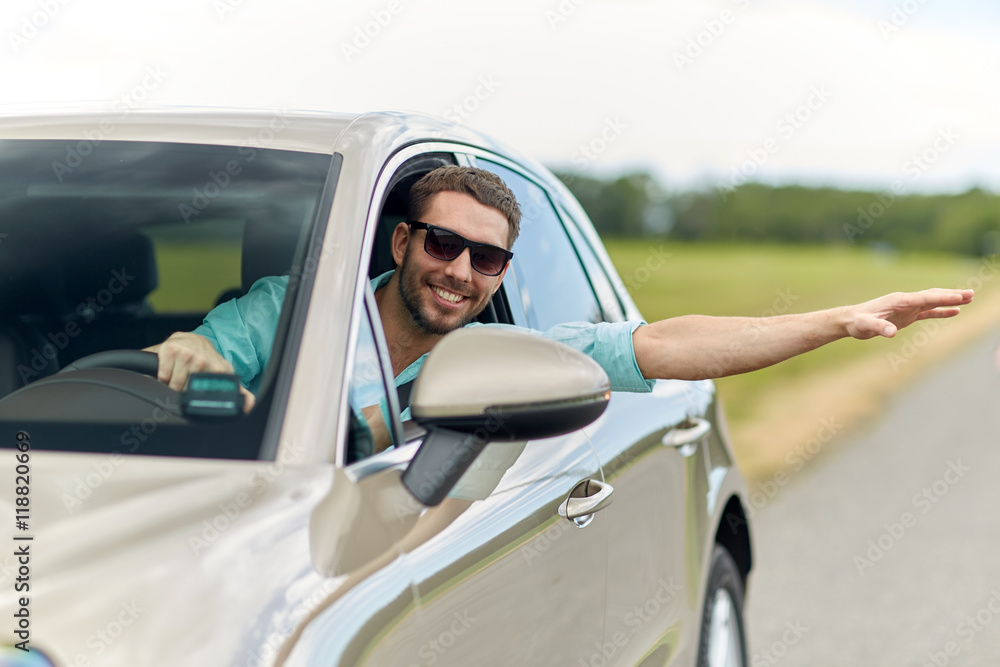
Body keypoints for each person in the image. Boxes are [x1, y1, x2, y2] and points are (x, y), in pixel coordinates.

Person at [147, 166, 975, 429]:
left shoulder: (503, 354)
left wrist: (836, 321)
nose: (461, 273)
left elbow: (665, 344)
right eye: (442, 244)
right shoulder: (296, 307)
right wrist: (195, 359)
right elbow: (217, 354)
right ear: (401, 242)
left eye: (488, 259)